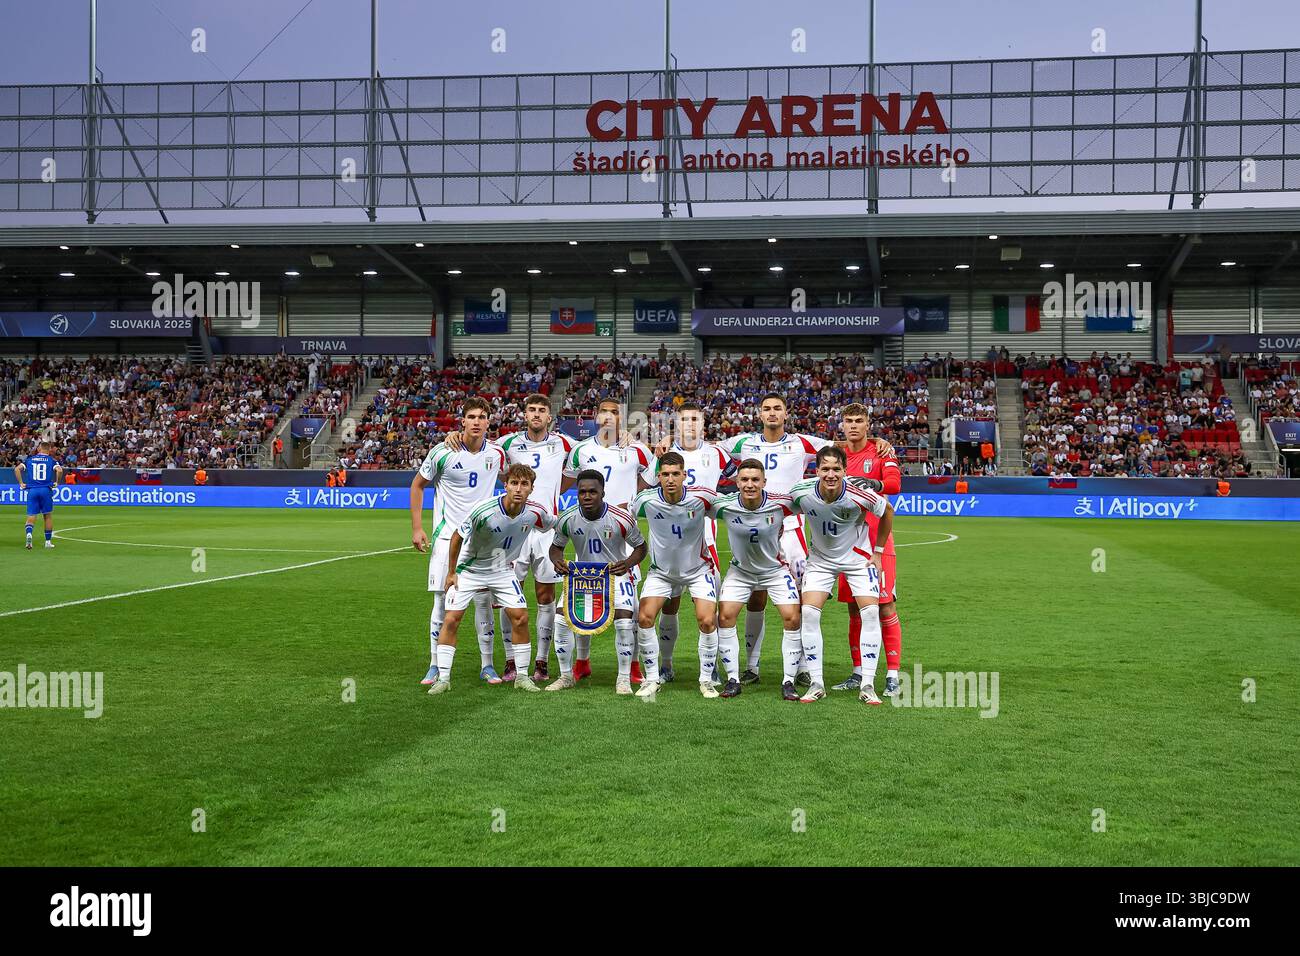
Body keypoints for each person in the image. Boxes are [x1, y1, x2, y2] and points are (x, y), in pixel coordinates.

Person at [445, 392, 577, 682]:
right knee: (507, 596)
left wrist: (625, 438)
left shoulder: (565, 443)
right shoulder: (506, 444)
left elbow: (593, 450)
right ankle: (510, 662)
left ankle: (541, 661)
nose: (537, 415)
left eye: (542, 410)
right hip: (511, 532)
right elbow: (478, 445)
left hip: (544, 529)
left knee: (545, 596)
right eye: (532, 410)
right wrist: (454, 435)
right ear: (524, 414)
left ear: (549, 417)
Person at [723, 392, 829, 686]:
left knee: (799, 602)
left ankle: (804, 666)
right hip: (755, 529)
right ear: (759, 414)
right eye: (767, 409)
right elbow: (706, 453)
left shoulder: (804, 443)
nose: (772, 413)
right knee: (755, 598)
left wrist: (878, 443)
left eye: (777, 409)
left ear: (786, 414)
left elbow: (841, 452)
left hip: (792, 529)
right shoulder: (741, 443)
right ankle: (752, 667)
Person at [425, 464, 556, 696]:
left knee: (520, 617)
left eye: (524, 484)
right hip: (470, 568)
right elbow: (457, 537)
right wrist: (452, 572)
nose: (518, 489)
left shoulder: (535, 512)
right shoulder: (484, 510)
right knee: (453, 618)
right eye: (514, 483)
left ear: (531, 489)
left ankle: (522, 676)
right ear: (505, 485)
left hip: (502, 569)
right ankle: (443, 678)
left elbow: (552, 524)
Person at [410, 397, 507, 686]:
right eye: (471, 416)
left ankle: (487, 665)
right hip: (446, 537)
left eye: (482, 416)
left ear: (489, 422)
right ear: (462, 421)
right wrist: (417, 528)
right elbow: (417, 485)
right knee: (441, 600)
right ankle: (434, 664)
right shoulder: (442, 451)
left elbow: (516, 478)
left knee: (484, 601)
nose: (477, 421)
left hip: (484, 540)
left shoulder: (499, 454)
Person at [788, 446, 894, 705]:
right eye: (826, 469)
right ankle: (816, 683)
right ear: (817, 471)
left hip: (858, 560)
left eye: (836, 469)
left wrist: (878, 552)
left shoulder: (859, 494)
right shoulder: (801, 493)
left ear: (845, 471)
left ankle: (868, 684)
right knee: (810, 613)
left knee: (870, 613)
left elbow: (887, 510)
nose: (831, 474)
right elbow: (782, 510)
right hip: (821, 561)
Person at [563, 398, 657, 682]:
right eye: (604, 412)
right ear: (595, 416)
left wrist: (628, 502)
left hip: (624, 535)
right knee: (585, 597)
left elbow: (651, 481)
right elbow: (566, 482)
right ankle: (581, 663)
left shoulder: (637, 449)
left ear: (621, 418)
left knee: (632, 606)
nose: (608, 417)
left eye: (614, 413)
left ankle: (634, 666)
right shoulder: (580, 451)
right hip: (589, 533)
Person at [651, 401, 734, 683]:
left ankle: (711, 667)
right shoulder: (664, 454)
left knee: (709, 611)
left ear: (703, 424)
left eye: (695, 420)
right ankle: (666, 664)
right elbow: (647, 486)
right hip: (669, 543)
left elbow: (744, 478)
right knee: (669, 606)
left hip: (705, 541)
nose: (689, 424)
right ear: (676, 424)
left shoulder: (718, 454)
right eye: (684, 419)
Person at [546, 470, 648, 693]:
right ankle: (566, 676)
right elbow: (556, 547)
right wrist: (558, 561)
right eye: (582, 492)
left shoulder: (621, 518)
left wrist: (628, 563)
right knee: (561, 619)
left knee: (623, 620)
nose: (587, 496)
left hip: (615, 575)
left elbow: (641, 547)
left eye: (593, 491)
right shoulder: (567, 518)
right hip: (582, 576)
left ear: (603, 492)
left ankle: (622, 678)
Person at [630, 452, 720, 701]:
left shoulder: (702, 498)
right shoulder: (645, 500)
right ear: (658, 476)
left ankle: (706, 679)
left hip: (698, 570)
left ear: (684, 475)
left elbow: (731, 510)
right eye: (665, 474)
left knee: (706, 621)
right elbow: (625, 520)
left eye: (675, 474)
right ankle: (651, 678)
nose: (670, 479)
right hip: (662, 573)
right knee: (645, 617)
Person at [829, 404, 904, 696]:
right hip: (846, 546)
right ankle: (858, 672)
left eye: (859, 421)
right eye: (848, 421)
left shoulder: (881, 452)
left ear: (868, 424)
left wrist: (874, 483)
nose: (853, 426)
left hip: (876, 544)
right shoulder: (835, 456)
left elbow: (895, 486)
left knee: (885, 606)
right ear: (842, 424)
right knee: (854, 609)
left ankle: (893, 674)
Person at [712, 460, 802, 699]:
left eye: (755, 480)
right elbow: (694, 506)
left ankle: (788, 681)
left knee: (792, 617)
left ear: (764, 482)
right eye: (744, 480)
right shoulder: (724, 504)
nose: (749, 485)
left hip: (774, 570)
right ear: (737, 482)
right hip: (740, 571)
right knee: (725, 616)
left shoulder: (781, 503)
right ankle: (732, 679)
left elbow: (814, 503)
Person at [16, 441, 62, 550]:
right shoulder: (52, 460)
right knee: (47, 516)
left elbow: (17, 469)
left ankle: (29, 534)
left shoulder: (30, 460)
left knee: (32, 515)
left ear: (39, 449)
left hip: (32, 490)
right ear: (49, 450)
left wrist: (21, 483)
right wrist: (57, 482)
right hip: (46, 490)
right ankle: (48, 542)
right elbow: (59, 471)